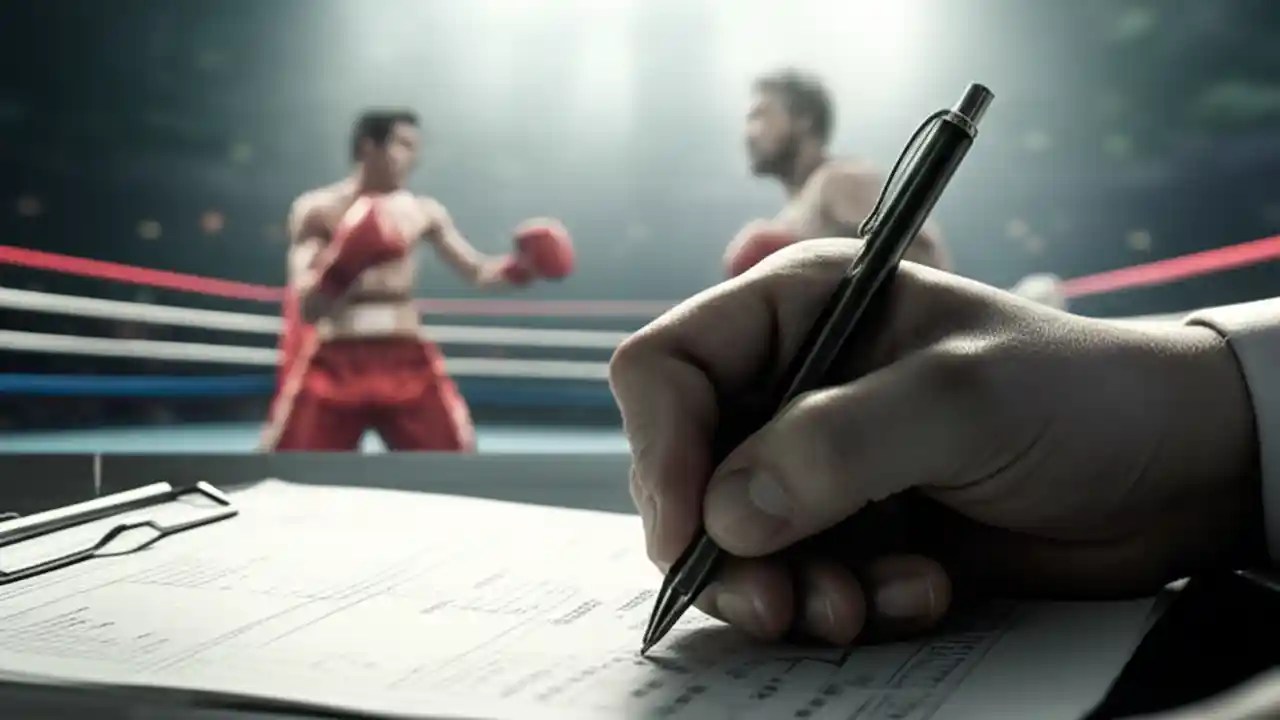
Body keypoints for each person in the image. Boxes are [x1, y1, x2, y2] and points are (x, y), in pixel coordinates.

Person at [610, 238, 1278, 717]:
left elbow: (921, 247)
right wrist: (1218, 438)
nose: (756, 124)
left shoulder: (839, 184)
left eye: (764, 110)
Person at [262, 109, 574, 451]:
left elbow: (479, 272)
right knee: (286, 470)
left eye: (415, 148)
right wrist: (345, 261)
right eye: (403, 145)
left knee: (453, 467)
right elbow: (307, 303)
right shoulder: (317, 209)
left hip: (406, 359)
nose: (413, 158)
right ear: (368, 147)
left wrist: (522, 268)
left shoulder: (424, 212)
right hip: (336, 359)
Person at [724, 69, 950, 278]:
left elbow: (924, 265)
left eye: (759, 115)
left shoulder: (841, 180)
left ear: (804, 119)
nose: (749, 134)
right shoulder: (794, 210)